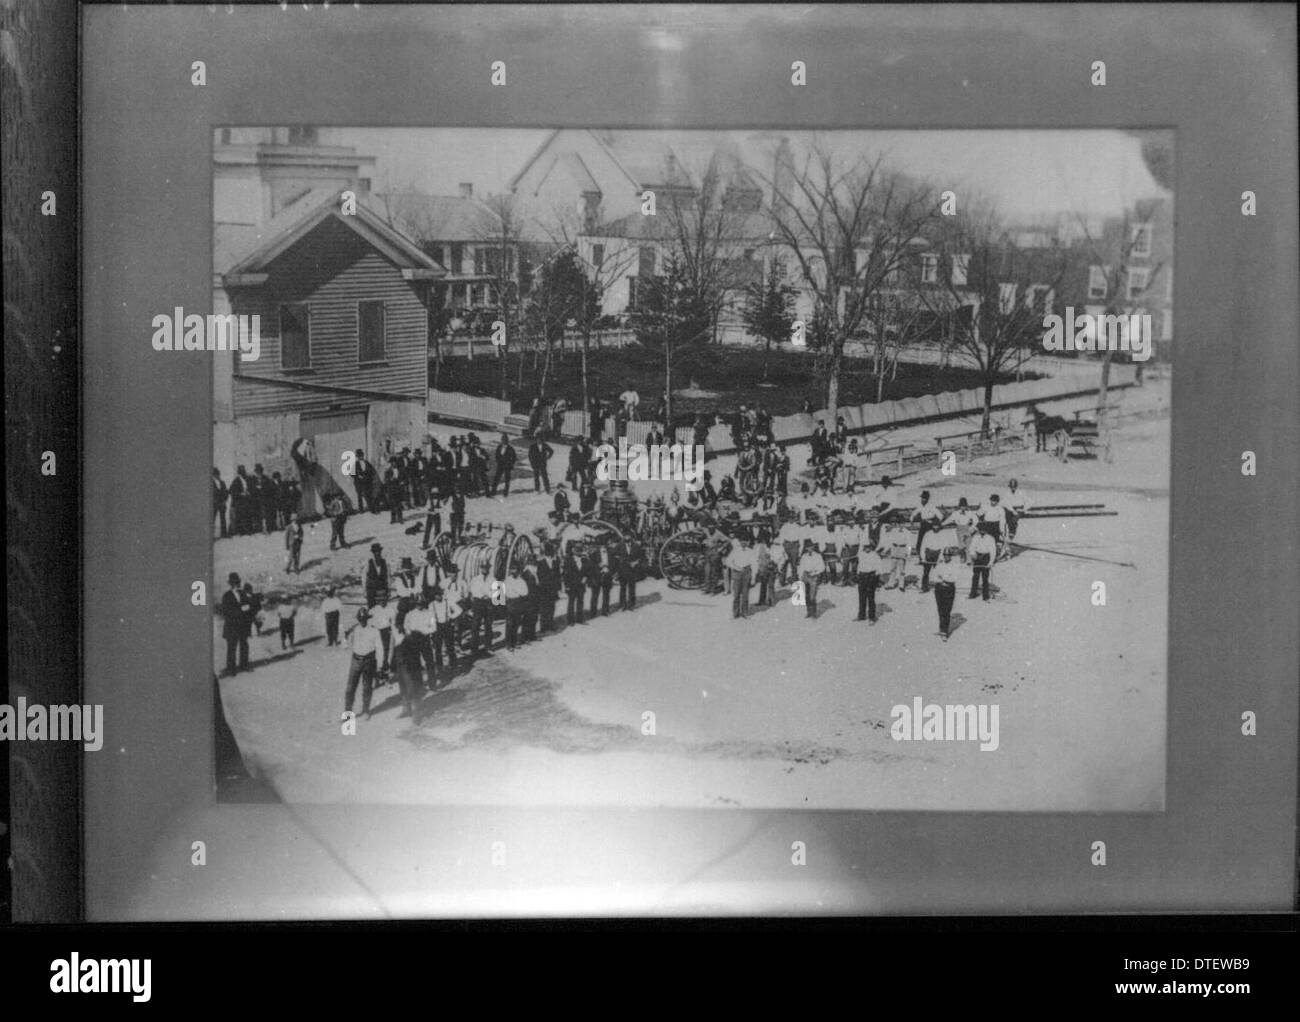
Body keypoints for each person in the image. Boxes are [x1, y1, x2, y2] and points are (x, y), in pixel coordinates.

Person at [341, 607, 380, 722]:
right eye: (360, 619)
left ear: (367, 619)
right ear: (358, 619)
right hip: (356, 660)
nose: (362, 621)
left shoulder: (374, 631)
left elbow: (379, 648)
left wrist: (380, 664)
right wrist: (344, 636)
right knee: (350, 688)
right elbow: (344, 646)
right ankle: (348, 713)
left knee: (367, 687)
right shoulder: (354, 630)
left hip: (369, 660)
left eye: (364, 619)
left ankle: (366, 711)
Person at [390, 608, 425, 722]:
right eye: (397, 624)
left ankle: (417, 713)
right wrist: (391, 663)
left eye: (400, 624)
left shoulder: (410, 632)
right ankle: (406, 709)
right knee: (402, 685)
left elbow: (417, 648)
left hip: (411, 662)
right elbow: (392, 647)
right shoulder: (394, 632)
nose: (399, 626)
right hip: (400, 661)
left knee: (412, 686)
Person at [220, 572, 249, 675]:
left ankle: (244, 665)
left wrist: (245, 609)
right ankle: (231, 669)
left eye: (238, 582)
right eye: (236, 583)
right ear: (231, 584)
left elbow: (247, 606)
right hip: (231, 626)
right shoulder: (226, 596)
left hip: (242, 626)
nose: (238, 584)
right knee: (232, 648)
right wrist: (240, 610)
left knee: (244, 645)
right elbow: (226, 611)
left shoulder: (243, 593)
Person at [932, 549, 960, 639]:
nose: (946, 557)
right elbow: (934, 577)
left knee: (946, 610)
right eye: (945, 555)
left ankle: (944, 631)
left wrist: (943, 577)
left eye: (948, 555)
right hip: (939, 588)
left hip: (949, 589)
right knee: (940, 610)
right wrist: (943, 578)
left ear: (951, 556)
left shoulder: (954, 565)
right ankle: (942, 629)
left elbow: (953, 578)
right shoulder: (940, 564)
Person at [726, 534, 755, 619]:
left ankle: (745, 613)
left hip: (747, 572)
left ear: (748, 542)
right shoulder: (735, 551)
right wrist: (736, 567)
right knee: (736, 595)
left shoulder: (751, 551)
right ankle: (735, 614)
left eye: (745, 541)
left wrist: (753, 577)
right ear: (739, 542)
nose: (743, 543)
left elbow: (754, 564)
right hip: (737, 573)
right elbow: (728, 561)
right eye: (742, 541)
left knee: (745, 594)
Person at [470, 561, 496, 652]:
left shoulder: (493, 579)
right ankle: (474, 648)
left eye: (486, 568)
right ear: (481, 569)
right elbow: (474, 591)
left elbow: (495, 593)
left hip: (488, 603)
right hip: (478, 603)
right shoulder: (475, 579)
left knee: (488, 626)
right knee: (475, 626)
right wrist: (486, 593)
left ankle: (488, 646)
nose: (485, 569)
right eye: (483, 568)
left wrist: (487, 594)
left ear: (489, 569)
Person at [856, 543, 885, 623]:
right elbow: (859, 565)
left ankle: (871, 617)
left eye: (868, 547)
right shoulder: (861, 554)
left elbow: (879, 568)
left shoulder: (875, 556)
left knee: (870, 598)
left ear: (871, 547)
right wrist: (858, 575)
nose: (867, 548)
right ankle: (861, 615)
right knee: (862, 597)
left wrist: (875, 579)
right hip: (862, 577)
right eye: (865, 547)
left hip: (871, 577)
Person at [502, 565, 529, 650]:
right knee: (510, 624)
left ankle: (514, 642)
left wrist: (515, 590)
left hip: (518, 602)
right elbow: (504, 592)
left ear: (518, 570)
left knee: (516, 623)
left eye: (515, 569)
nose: (513, 571)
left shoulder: (521, 581)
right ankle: (508, 644)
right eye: (512, 569)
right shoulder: (507, 580)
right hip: (510, 602)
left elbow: (525, 592)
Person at [797, 540, 826, 619]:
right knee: (806, 595)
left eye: (811, 546)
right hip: (805, 576)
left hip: (814, 576)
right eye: (808, 547)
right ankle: (808, 612)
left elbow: (822, 567)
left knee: (812, 596)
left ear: (813, 547)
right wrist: (800, 577)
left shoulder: (818, 556)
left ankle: (814, 613)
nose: (810, 548)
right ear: (806, 548)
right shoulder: (804, 556)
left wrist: (815, 572)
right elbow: (801, 567)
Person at [968, 525, 998, 601]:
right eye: (980, 530)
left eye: (983, 530)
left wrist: (991, 562)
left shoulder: (990, 538)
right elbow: (972, 547)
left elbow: (993, 551)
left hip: (986, 557)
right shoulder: (976, 537)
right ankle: (973, 594)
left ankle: (986, 596)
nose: (982, 531)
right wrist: (972, 554)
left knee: (985, 577)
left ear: (986, 530)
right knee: (975, 576)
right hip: (977, 557)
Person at [536, 544, 561, 631]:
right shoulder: (540, 562)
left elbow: (558, 575)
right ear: (545, 552)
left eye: (551, 550)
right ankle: (543, 626)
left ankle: (550, 624)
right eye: (548, 550)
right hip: (544, 588)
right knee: (543, 607)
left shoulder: (555, 561)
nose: (550, 552)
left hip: (553, 588)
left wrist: (558, 587)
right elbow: (539, 575)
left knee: (552, 606)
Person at [945, 498, 977, 563]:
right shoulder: (956, 513)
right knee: (961, 546)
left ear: (966, 506)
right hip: (959, 529)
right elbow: (949, 520)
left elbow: (976, 520)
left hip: (967, 529)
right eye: (962, 506)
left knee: (968, 544)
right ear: (959, 506)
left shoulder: (970, 512)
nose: (963, 507)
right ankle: (962, 558)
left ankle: (969, 560)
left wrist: (972, 527)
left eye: (964, 506)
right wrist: (942, 524)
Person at [369, 599, 394, 680]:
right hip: (376, 632)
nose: (382, 601)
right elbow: (370, 623)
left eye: (384, 599)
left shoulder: (390, 609)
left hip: (386, 632)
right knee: (376, 652)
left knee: (386, 651)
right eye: (380, 600)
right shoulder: (373, 610)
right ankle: (376, 672)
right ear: (377, 601)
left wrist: (391, 630)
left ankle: (385, 671)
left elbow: (393, 622)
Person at [564, 546, 588, 625]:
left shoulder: (584, 560)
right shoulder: (569, 561)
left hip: (581, 584)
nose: (579, 553)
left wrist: (585, 577)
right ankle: (570, 620)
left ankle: (579, 619)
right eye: (577, 551)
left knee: (580, 601)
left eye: (580, 551)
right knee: (571, 602)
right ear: (574, 552)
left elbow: (588, 570)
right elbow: (565, 574)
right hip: (572, 585)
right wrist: (567, 585)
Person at [618, 538, 643, 611]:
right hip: (622, 569)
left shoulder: (636, 546)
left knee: (632, 587)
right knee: (623, 587)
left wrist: (636, 562)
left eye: (629, 536)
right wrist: (620, 561)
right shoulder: (620, 545)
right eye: (626, 535)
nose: (627, 537)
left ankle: (631, 605)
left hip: (632, 569)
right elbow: (614, 554)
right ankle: (622, 605)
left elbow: (641, 556)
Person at [364, 543, 390, 608]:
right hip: (371, 589)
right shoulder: (368, 562)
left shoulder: (384, 562)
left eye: (378, 552)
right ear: (373, 553)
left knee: (382, 608)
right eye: (375, 552)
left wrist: (388, 589)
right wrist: (364, 591)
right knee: (372, 609)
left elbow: (388, 576)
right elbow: (364, 577)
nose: (377, 553)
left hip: (382, 588)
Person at [1005, 478, 1029, 545]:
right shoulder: (1007, 493)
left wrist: (1024, 509)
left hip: (1019, 509)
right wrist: (1012, 510)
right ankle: (1010, 533)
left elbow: (1029, 501)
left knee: (1014, 519)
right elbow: (1006, 503)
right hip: (1010, 508)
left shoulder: (1021, 492)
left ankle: (1011, 533)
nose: (1013, 488)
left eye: (1014, 487)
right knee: (1007, 517)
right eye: (1011, 487)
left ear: (1016, 486)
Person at [213, 468, 229, 539]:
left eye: (218, 474)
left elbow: (226, 492)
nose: (218, 476)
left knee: (223, 519)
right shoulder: (211, 483)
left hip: (222, 503)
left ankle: (224, 533)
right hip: (215, 504)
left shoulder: (222, 483)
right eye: (216, 474)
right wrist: (216, 501)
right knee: (212, 518)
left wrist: (225, 500)